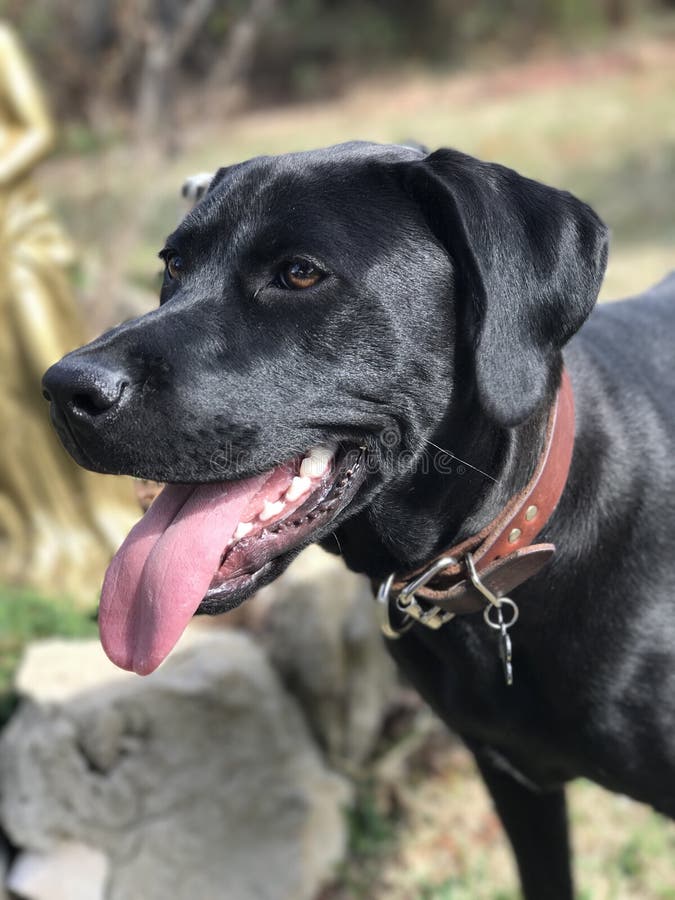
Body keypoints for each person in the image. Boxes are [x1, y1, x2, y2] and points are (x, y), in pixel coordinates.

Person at [0, 22, 137, 604]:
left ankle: (106, 520)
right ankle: (46, 536)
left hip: (16, 234)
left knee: (49, 366)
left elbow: (38, 129)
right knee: (6, 397)